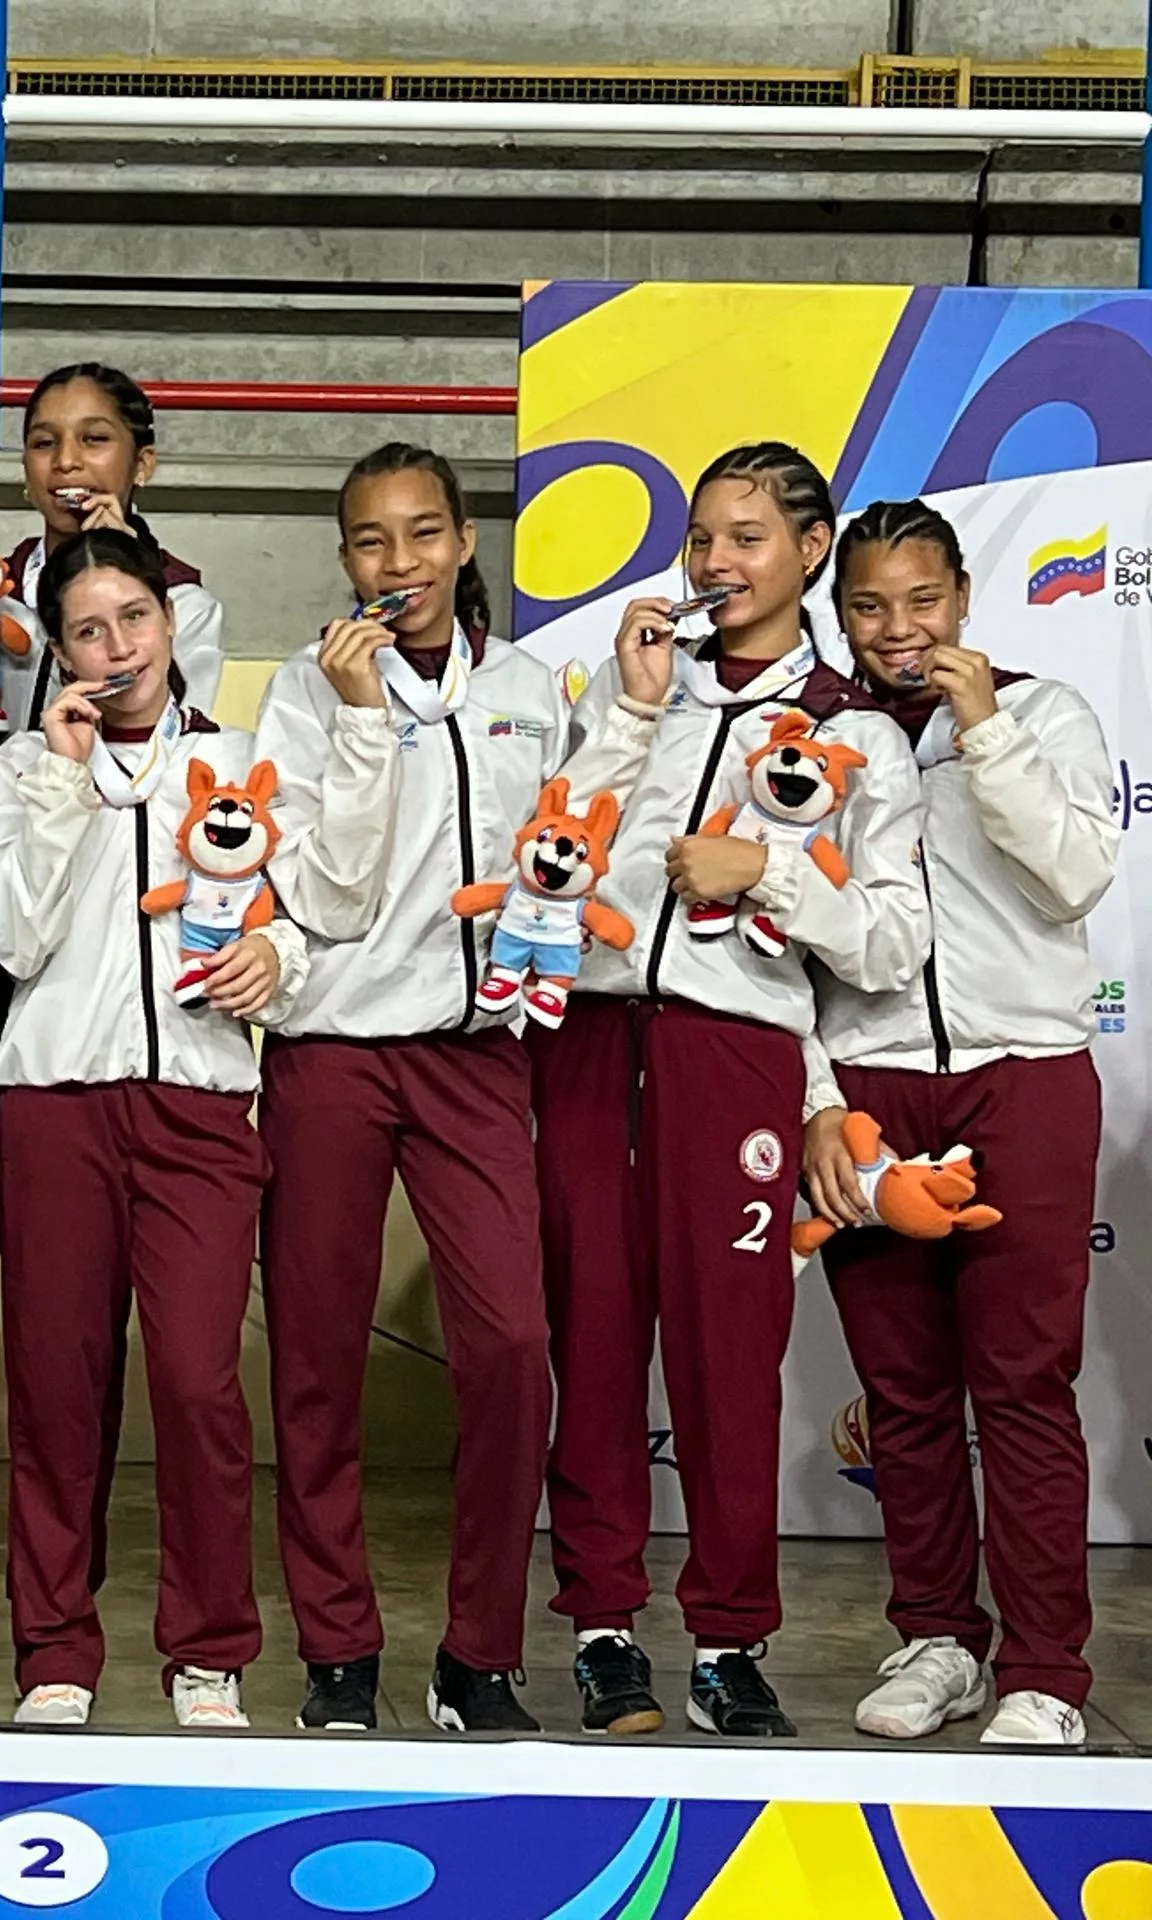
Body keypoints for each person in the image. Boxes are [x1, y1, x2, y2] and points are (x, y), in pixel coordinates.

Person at [254, 444, 667, 1736]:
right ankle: (338, 1649)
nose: (400, 566)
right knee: (317, 1360)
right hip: (327, 1048)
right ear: (345, 561)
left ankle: (478, 1652)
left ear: (465, 544)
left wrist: (639, 718)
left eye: (424, 535)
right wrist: (366, 720)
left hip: (477, 1053)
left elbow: (569, 834)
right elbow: (322, 893)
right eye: (372, 542)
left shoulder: (532, 688)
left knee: (510, 1348)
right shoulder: (304, 698)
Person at [539, 442, 930, 1739]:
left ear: (812, 552)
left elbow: (886, 942)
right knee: (592, 1342)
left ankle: (726, 1639)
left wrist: (759, 874)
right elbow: (552, 856)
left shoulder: (852, 726)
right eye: (704, 535)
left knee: (726, 1363)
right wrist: (634, 714)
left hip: (737, 1060)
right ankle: (601, 1625)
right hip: (591, 1045)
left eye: (749, 537)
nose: (717, 562)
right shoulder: (635, 686)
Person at [0, 528, 343, 1731]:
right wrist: (60, 785)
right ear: (59, 649)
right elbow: (17, 943)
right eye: (88, 629)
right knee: (57, 1390)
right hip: (53, 1107)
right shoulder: (28, 771)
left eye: (133, 618)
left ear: (172, 623)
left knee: (195, 1386)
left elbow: (308, 921)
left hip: (195, 1108)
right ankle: (55, 1654)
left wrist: (272, 955)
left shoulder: (242, 763)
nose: (115, 647)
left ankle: (207, 1653)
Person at [804, 499, 1115, 1748]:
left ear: (964, 599)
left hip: (1021, 1073)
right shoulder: (811, 738)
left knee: (1024, 1384)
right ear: (841, 612)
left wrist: (981, 730)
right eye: (869, 605)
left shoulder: (1041, 712)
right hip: (873, 1083)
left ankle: (1046, 1668)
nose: (897, 630)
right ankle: (937, 1637)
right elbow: (787, 932)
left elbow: (1074, 874)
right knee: (905, 1390)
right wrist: (821, 1097)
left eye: (920, 601)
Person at [2, 364, 226, 730]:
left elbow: (180, 729)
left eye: (94, 439)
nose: (66, 462)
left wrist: (119, 567)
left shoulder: (182, 601)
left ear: (142, 464)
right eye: (44, 443)